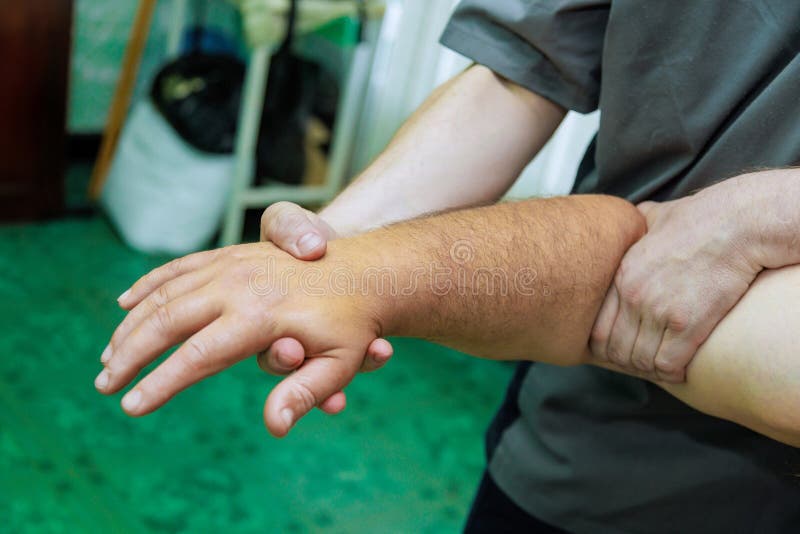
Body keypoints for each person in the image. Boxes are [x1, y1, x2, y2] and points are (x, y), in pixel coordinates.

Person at [96, 1, 800, 532]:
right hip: (598, 458)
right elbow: (523, 69)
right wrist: (329, 248)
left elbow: (617, 273)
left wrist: (377, 275)